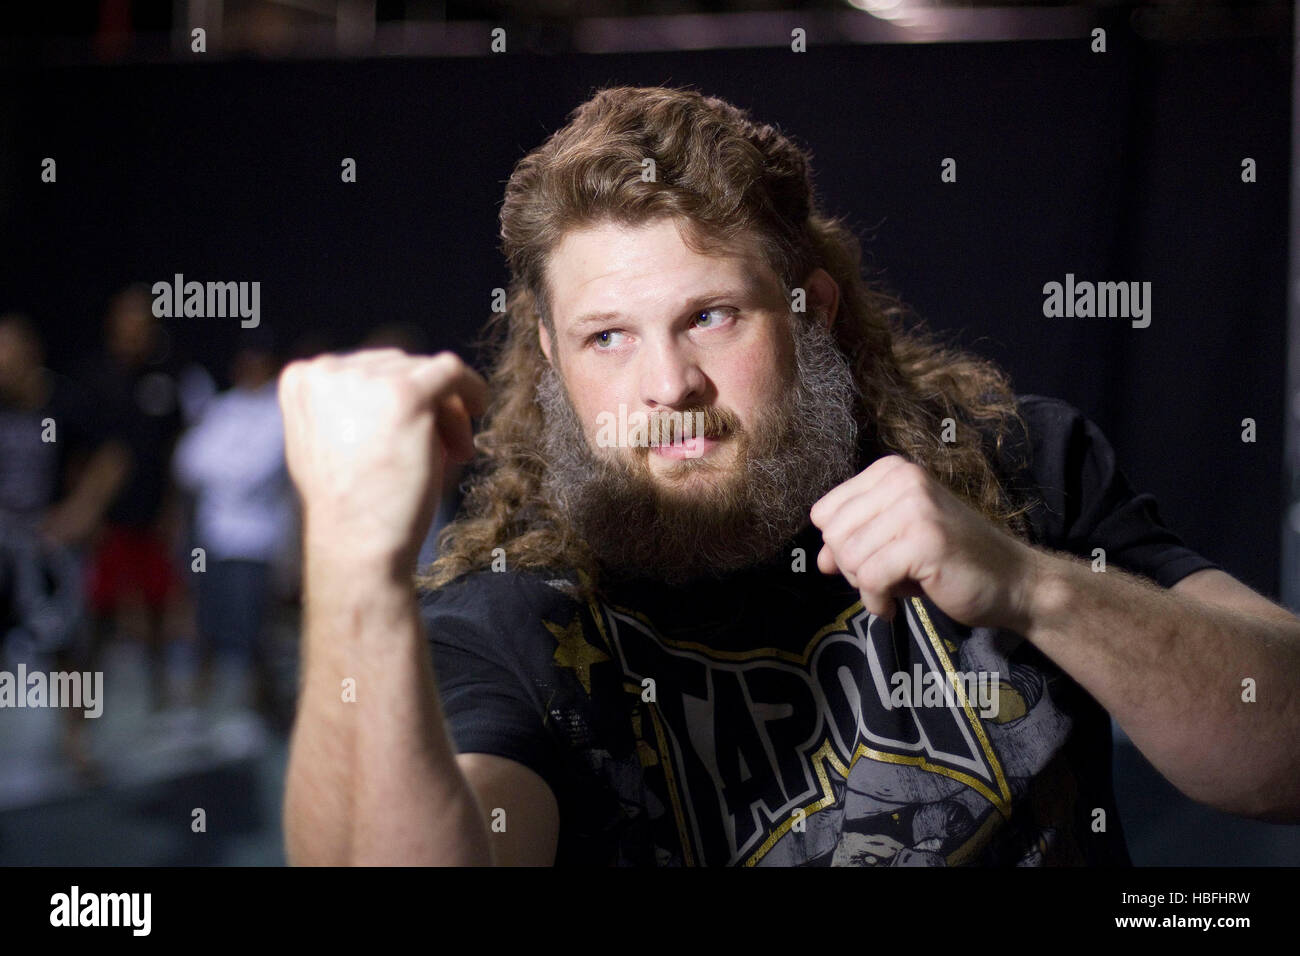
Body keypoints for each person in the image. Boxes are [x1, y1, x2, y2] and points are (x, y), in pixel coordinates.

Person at [279, 86, 1300, 866]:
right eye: (606, 336)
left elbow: (1283, 748)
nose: (668, 383)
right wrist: (351, 560)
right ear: (550, 359)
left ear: (810, 307)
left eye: (710, 315)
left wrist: (1036, 586)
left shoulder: (1011, 467)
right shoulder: (524, 622)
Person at [172, 329, 292, 719]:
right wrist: (226, 471)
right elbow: (187, 464)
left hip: (255, 542)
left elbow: (256, 471)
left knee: (253, 630)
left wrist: (220, 470)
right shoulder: (222, 408)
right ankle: (201, 705)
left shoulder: (281, 411)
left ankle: (262, 707)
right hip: (213, 537)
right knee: (206, 623)